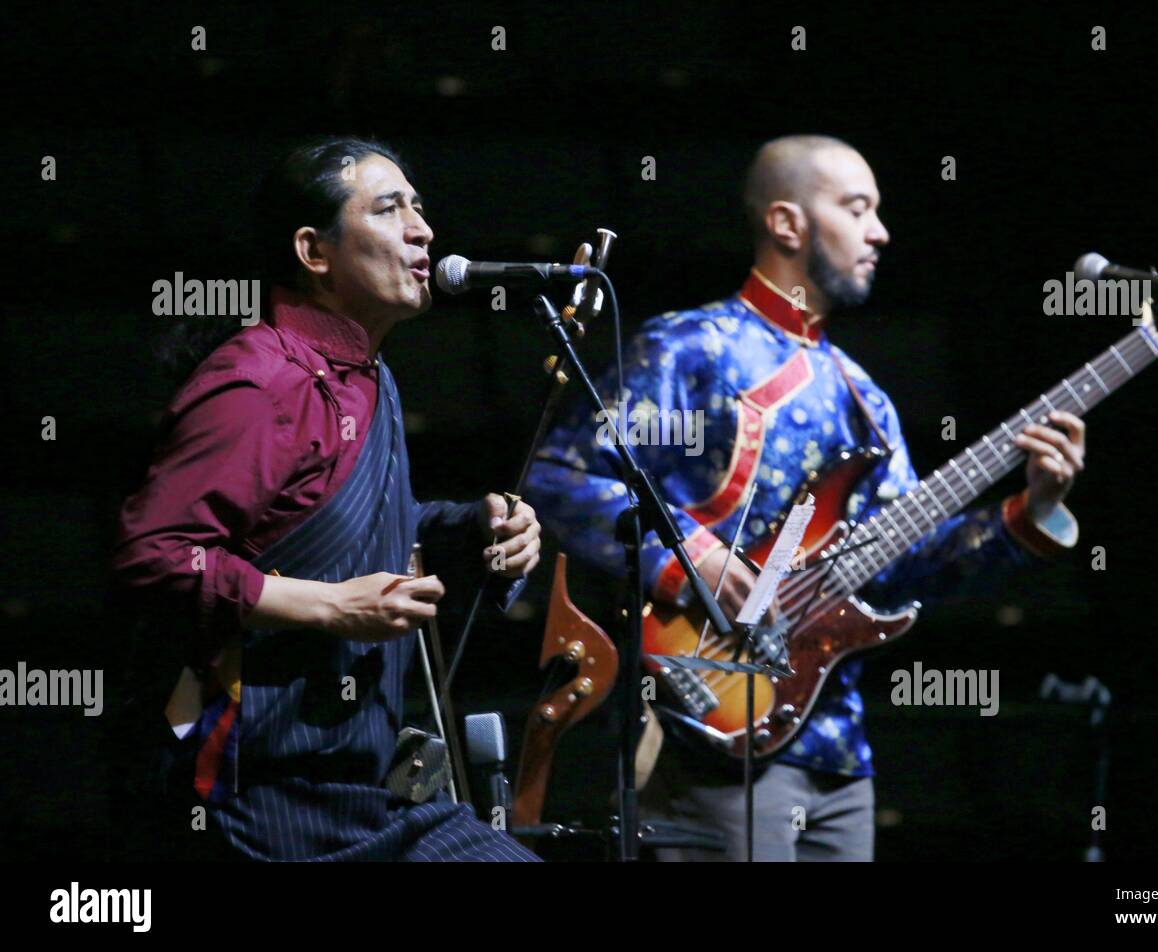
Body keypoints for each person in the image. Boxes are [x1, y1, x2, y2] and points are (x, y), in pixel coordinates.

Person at [525, 134, 1087, 861]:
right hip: (710, 731)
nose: (880, 230)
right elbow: (558, 477)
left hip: (839, 751)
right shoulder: (689, 347)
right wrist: (687, 557)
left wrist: (1030, 511)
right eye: (857, 208)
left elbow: (907, 564)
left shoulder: (867, 398)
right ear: (786, 223)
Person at [110, 137, 542, 861]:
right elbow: (152, 556)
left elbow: (330, 533)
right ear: (314, 252)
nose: (422, 230)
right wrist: (331, 608)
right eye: (388, 208)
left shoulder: (367, 375)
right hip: (263, 795)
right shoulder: (258, 380)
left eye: (420, 208)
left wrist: (476, 533)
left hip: (364, 784)